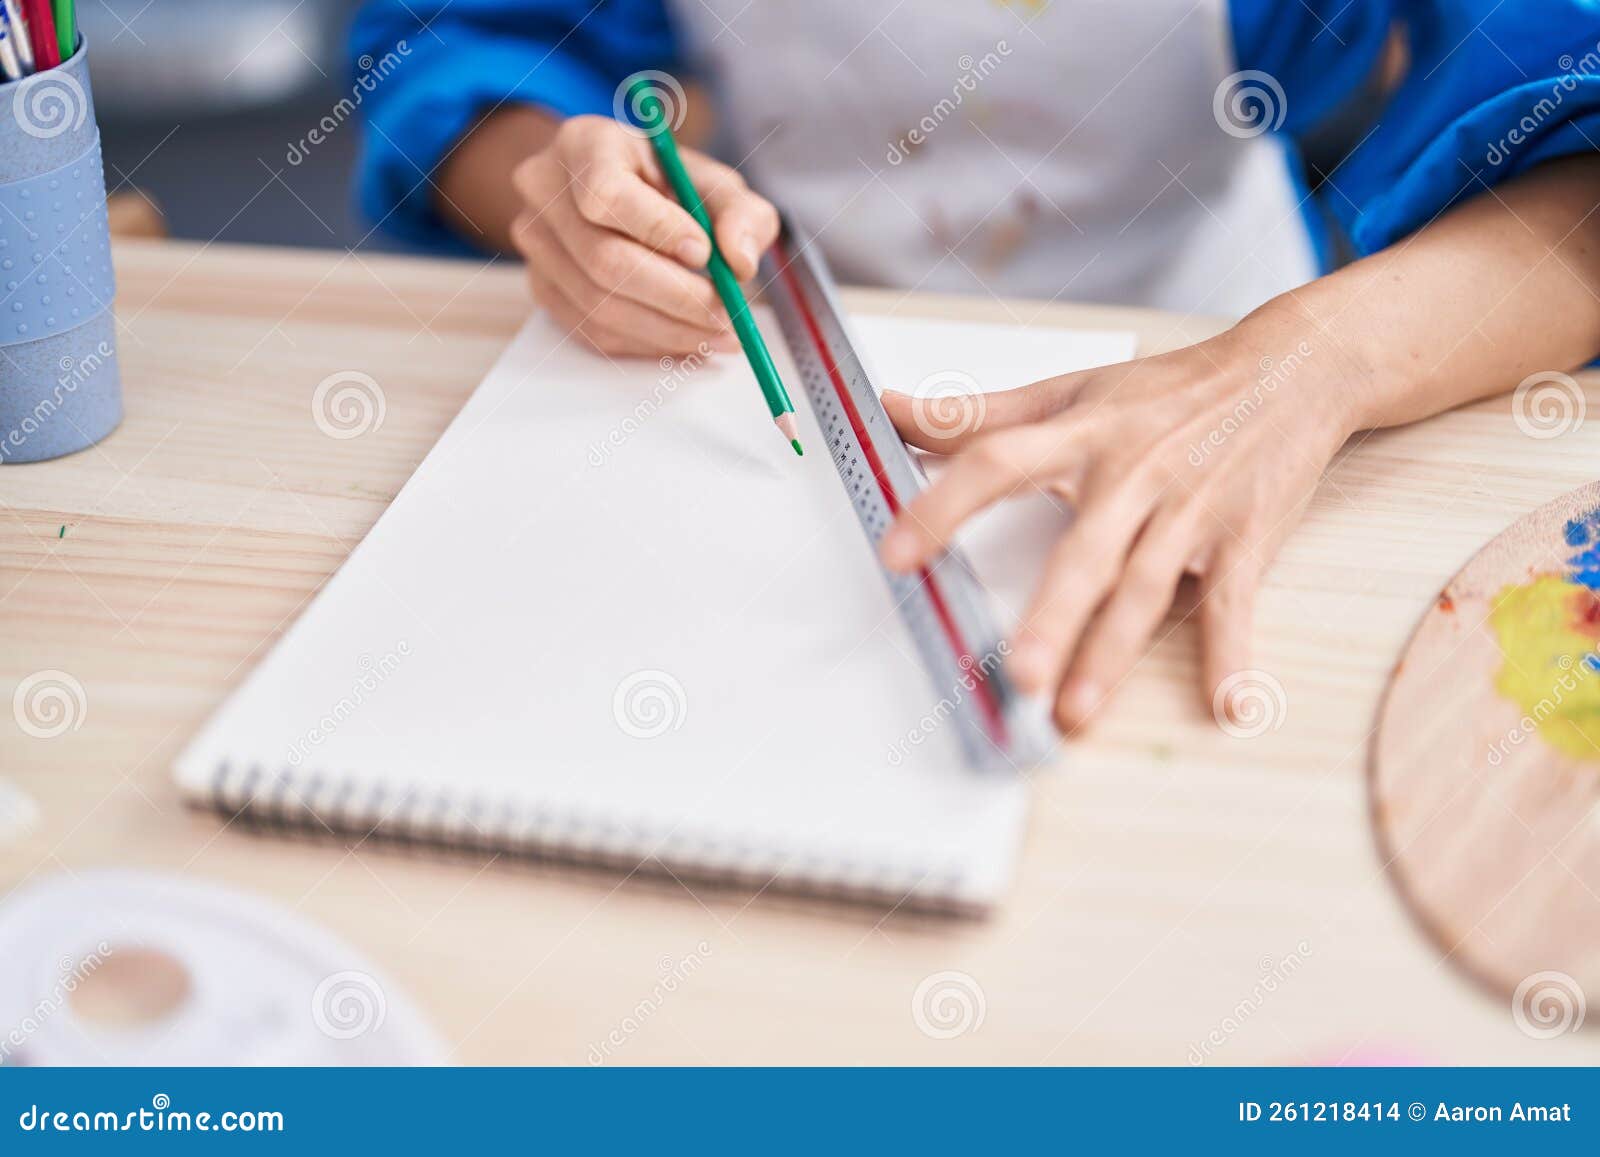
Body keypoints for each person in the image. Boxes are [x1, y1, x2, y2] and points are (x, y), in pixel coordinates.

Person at [350, 2, 1600, 730]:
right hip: (762, 320)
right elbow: (469, 41)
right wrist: (567, 191)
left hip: (1250, 345)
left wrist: (1313, 361)